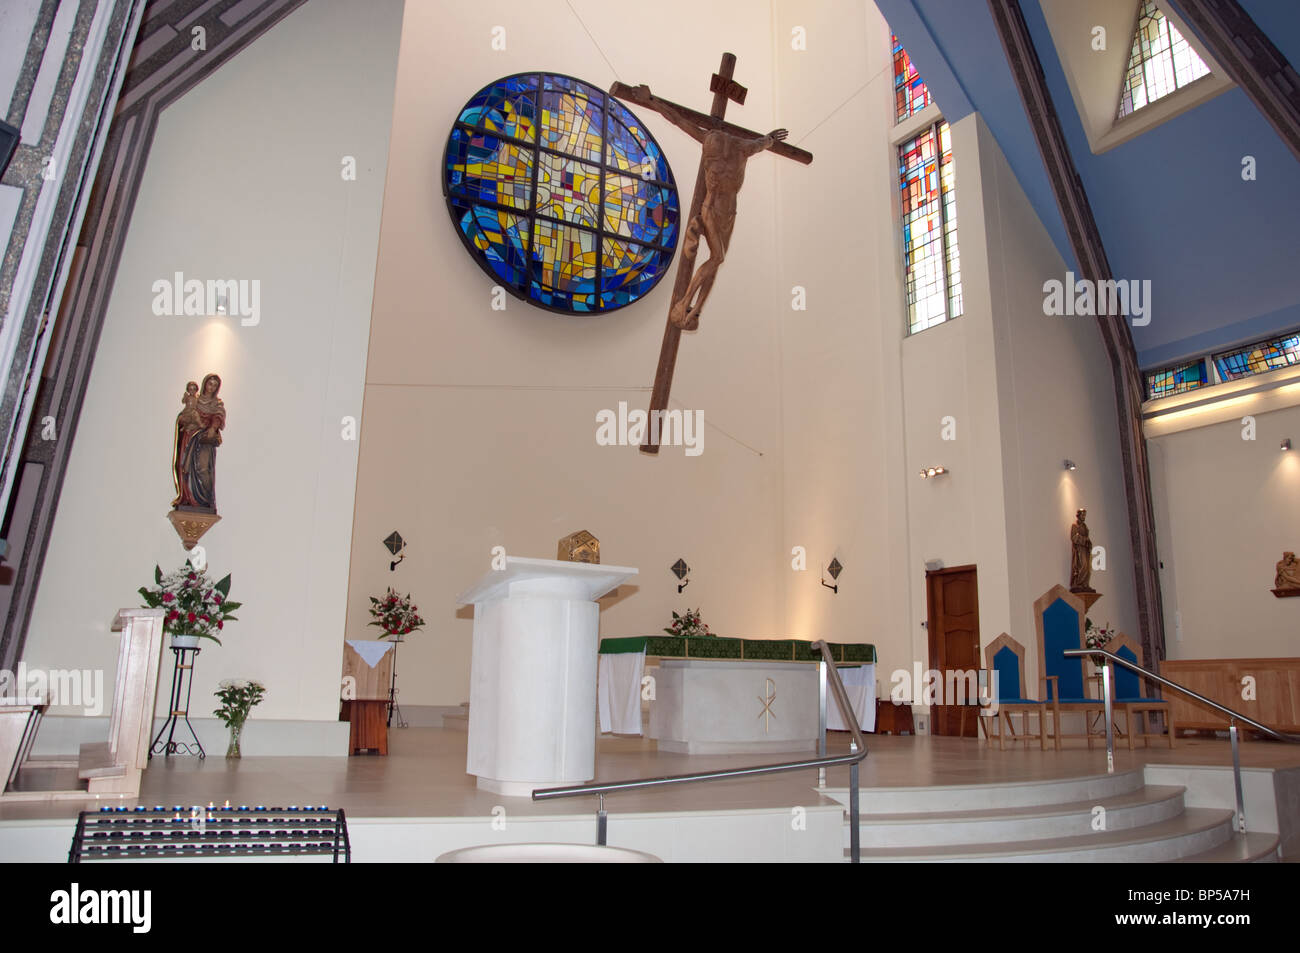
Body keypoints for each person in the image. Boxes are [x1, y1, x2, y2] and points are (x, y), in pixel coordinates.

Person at [625, 84, 786, 330]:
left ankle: (693, 309)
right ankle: (686, 305)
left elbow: (677, 119)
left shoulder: (723, 142)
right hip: (713, 208)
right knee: (718, 257)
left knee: (717, 260)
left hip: (728, 213)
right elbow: (763, 142)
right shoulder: (737, 146)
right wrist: (651, 100)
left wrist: (652, 100)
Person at [172, 373, 226, 510]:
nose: (211, 387)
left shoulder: (217, 403)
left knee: (203, 468)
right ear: (204, 384)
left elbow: (218, 417)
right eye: (210, 384)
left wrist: (212, 428)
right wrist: (187, 420)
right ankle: (187, 497)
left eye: (215, 385)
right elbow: (184, 416)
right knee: (185, 466)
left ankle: (205, 500)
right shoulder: (195, 400)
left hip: (205, 438)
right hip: (190, 436)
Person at [1070, 509, 1094, 592]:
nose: (1084, 517)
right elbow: (1074, 537)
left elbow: (1087, 537)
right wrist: (1083, 540)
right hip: (1079, 549)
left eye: (1085, 515)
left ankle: (1085, 584)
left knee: (1088, 566)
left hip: (1085, 549)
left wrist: (1089, 542)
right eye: (1082, 515)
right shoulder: (1075, 525)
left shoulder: (1084, 526)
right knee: (1082, 565)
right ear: (1078, 515)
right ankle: (1079, 583)